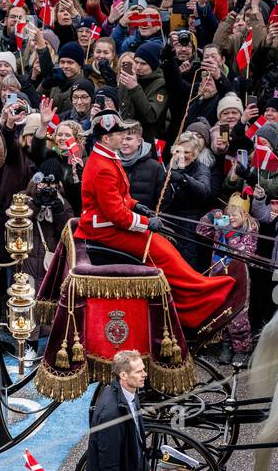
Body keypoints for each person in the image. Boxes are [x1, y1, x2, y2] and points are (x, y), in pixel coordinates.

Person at [74, 110, 234, 333]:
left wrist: (135, 205)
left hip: (109, 224)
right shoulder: (103, 166)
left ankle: (199, 290)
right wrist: (146, 223)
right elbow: (116, 214)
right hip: (105, 229)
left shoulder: (106, 157)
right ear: (106, 139)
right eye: (119, 134)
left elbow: (121, 197)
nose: (123, 137)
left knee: (164, 247)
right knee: (160, 251)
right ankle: (199, 297)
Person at [83, 350, 154, 471]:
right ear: (123, 375)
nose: (144, 374)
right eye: (139, 371)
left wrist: (145, 468)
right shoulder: (111, 413)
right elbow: (109, 464)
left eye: (143, 369)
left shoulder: (130, 394)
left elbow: (136, 439)